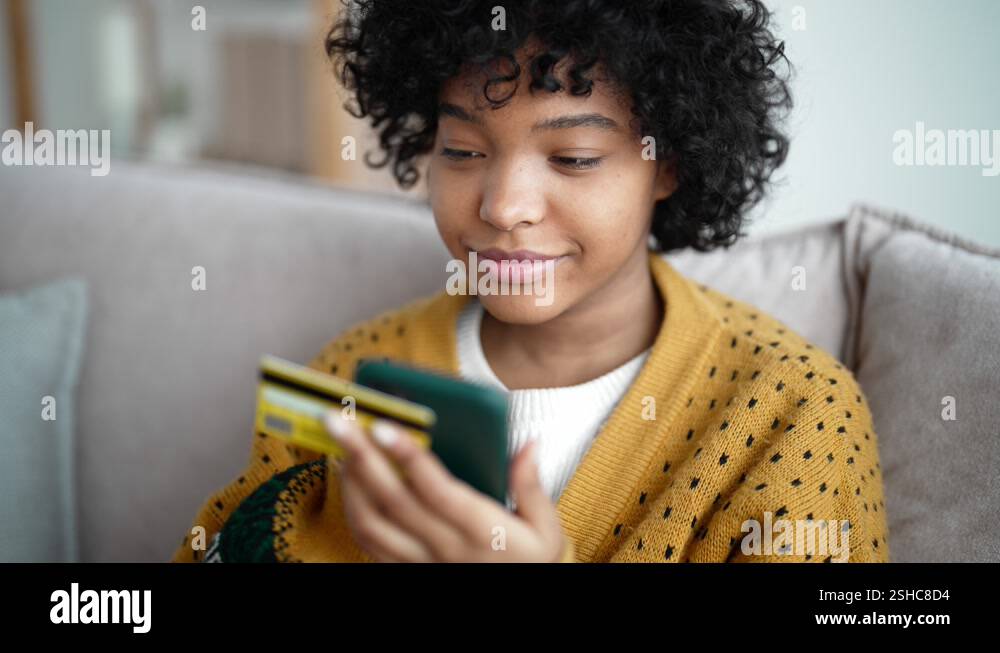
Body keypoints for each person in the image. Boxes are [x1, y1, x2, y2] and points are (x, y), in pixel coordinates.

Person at [172, 0, 889, 563]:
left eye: (574, 156)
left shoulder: (794, 415)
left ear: (667, 162)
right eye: (461, 149)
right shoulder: (354, 374)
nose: (502, 205)